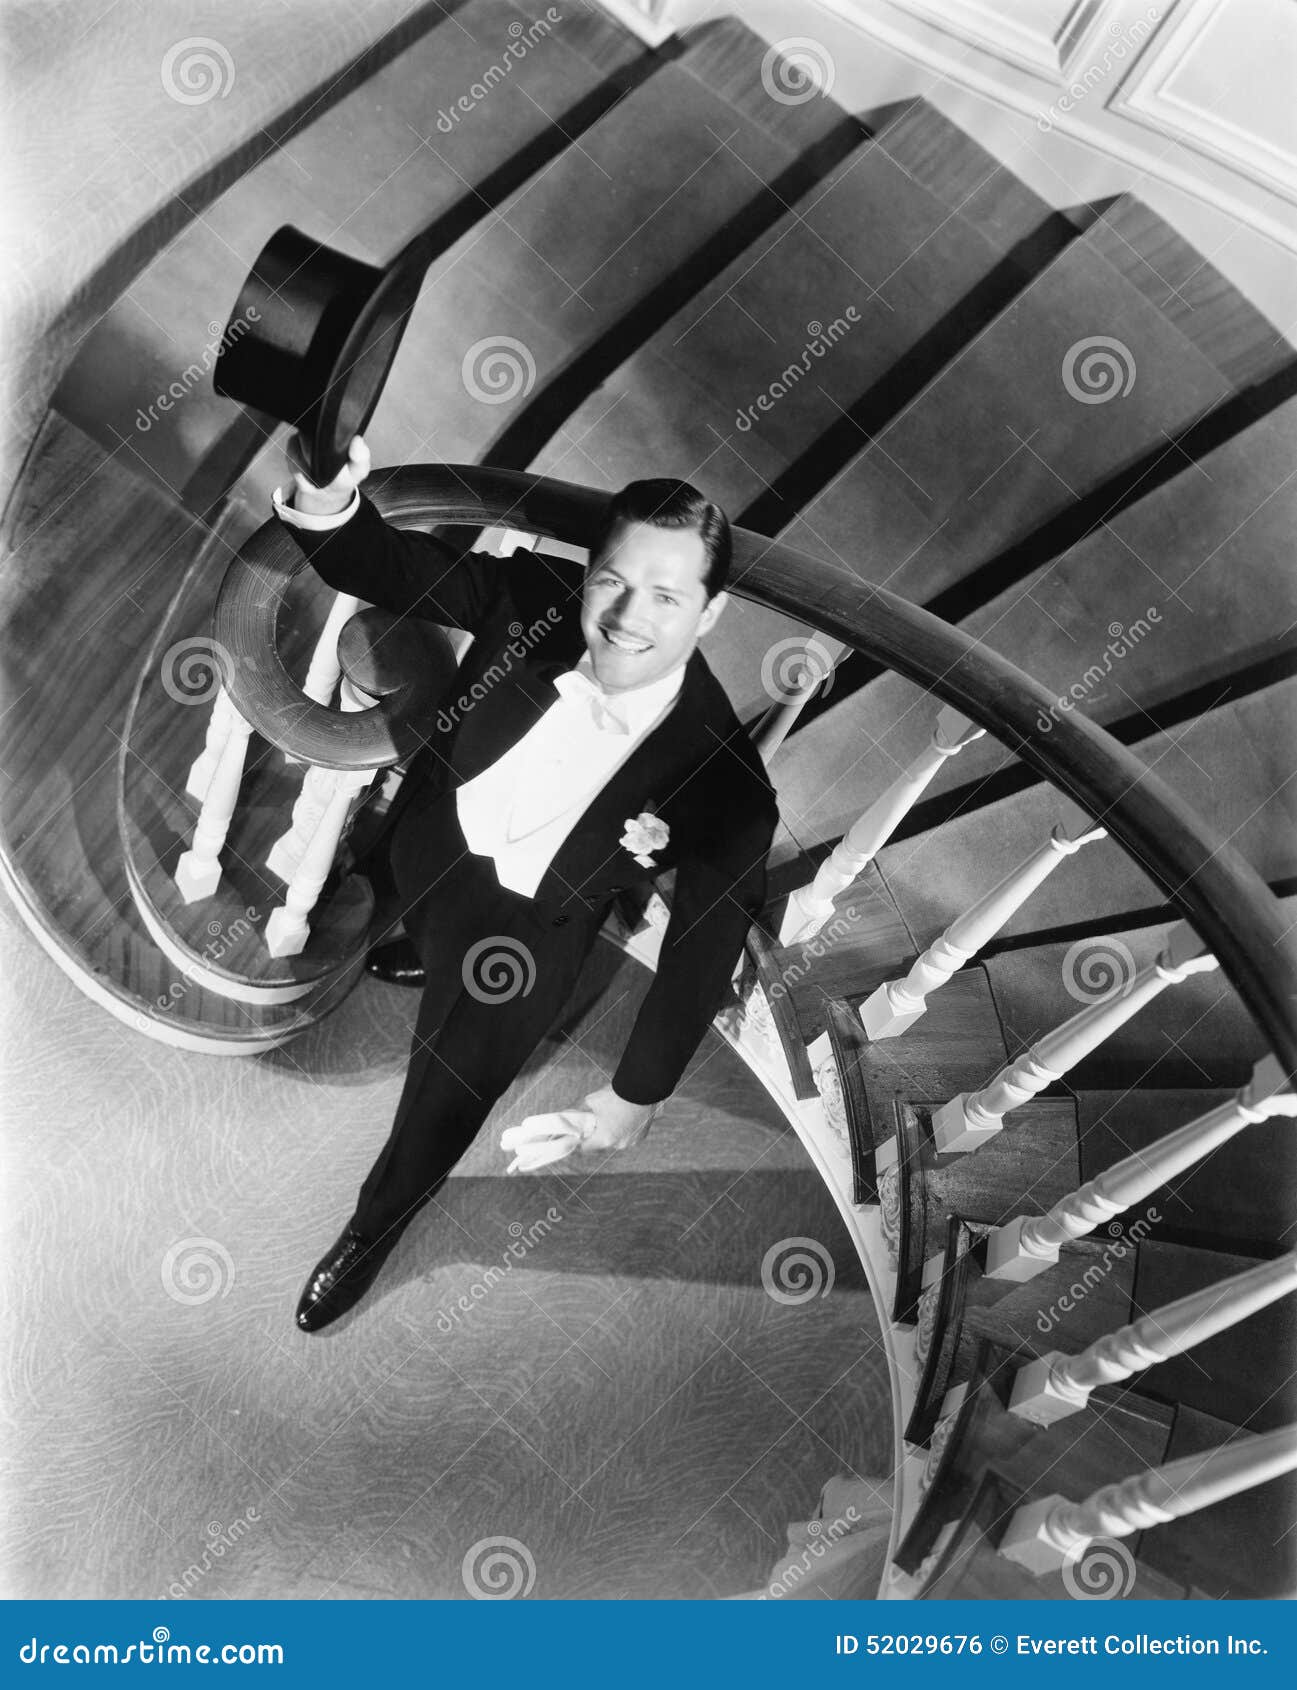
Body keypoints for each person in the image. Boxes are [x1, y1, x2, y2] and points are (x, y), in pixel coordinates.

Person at [274, 435, 779, 1332]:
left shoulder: (728, 782)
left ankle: (373, 1228)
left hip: (521, 943)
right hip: (435, 849)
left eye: (667, 596)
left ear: (710, 614)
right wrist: (331, 500)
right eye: (613, 581)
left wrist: (636, 1096)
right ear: (585, 574)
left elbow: (704, 946)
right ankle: (421, 953)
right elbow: (388, 564)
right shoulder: (529, 598)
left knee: (435, 1113)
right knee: (407, 912)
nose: (628, 616)